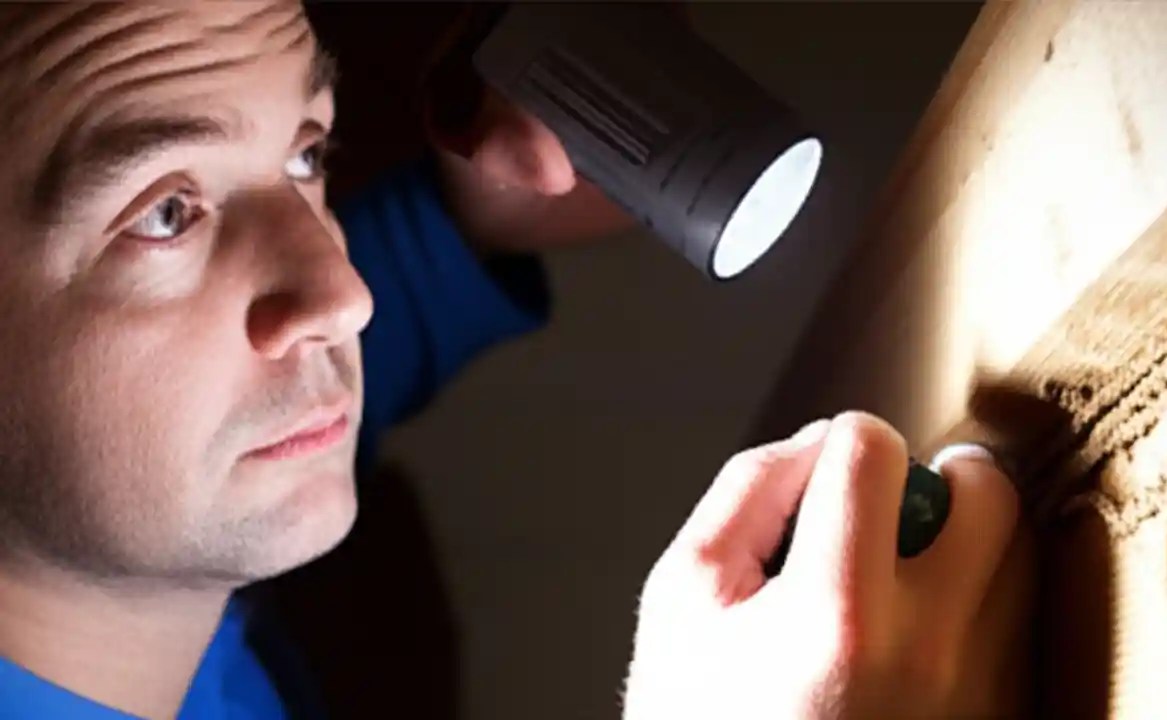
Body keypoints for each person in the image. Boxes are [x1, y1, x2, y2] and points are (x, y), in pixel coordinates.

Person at [0, 3, 1028, 719]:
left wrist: (472, 216)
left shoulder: (140, 509)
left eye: (306, 154)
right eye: (165, 214)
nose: (342, 293)